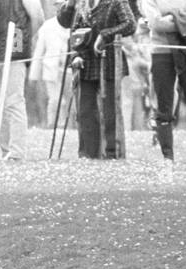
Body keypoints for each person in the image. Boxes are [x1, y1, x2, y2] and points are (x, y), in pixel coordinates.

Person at [57, 0, 136, 159]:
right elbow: (65, 22)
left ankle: (112, 153)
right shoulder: (80, 4)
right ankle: (90, 154)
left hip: (109, 59)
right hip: (85, 59)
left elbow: (130, 24)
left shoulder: (115, 2)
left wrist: (105, 34)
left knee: (109, 110)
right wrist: (71, 4)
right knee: (85, 111)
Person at [141, 0, 186, 160]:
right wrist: (184, 20)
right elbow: (157, 24)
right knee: (164, 107)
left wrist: (171, 18)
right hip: (161, 52)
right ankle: (168, 158)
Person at [0, 0, 45, 160]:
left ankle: (16, 153)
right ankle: (5, 151)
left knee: (13, 102)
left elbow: (37, 17)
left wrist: (23, 40)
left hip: (14, 52)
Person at [31, 16, 72, 128]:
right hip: (51, 67)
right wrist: (34, 73)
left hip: (69, 68)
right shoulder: (48, 25)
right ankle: (53, 123)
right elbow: (39, 50)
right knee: (55, 99)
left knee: (70, 100)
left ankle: (69, 125)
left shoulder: (75, 22)